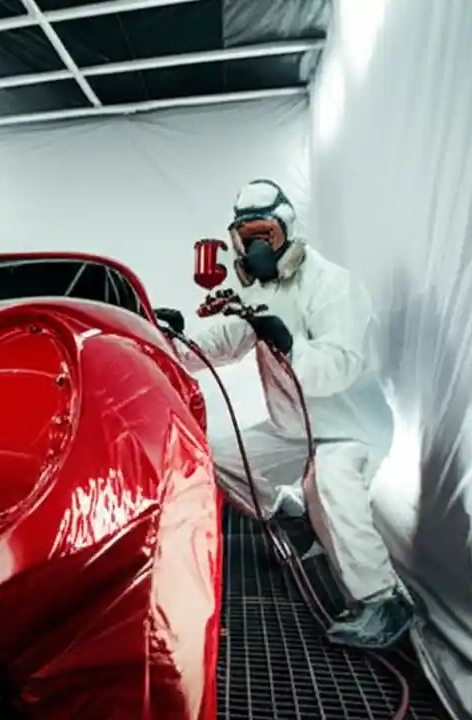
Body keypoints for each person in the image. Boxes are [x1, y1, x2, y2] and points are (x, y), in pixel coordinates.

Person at [154, 179, 414, 649]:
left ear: (286, 232)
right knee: (214, 454)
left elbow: (340, 365)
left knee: (328, 484)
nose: (255, 249)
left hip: (348, 429)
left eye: (264, 237)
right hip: (295, 428)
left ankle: (383, 600)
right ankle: (291, 517)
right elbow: (224, 342)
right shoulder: (263, 291)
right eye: (246, 238)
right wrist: (169, 337)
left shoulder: (332, 286)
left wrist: (290, 347)